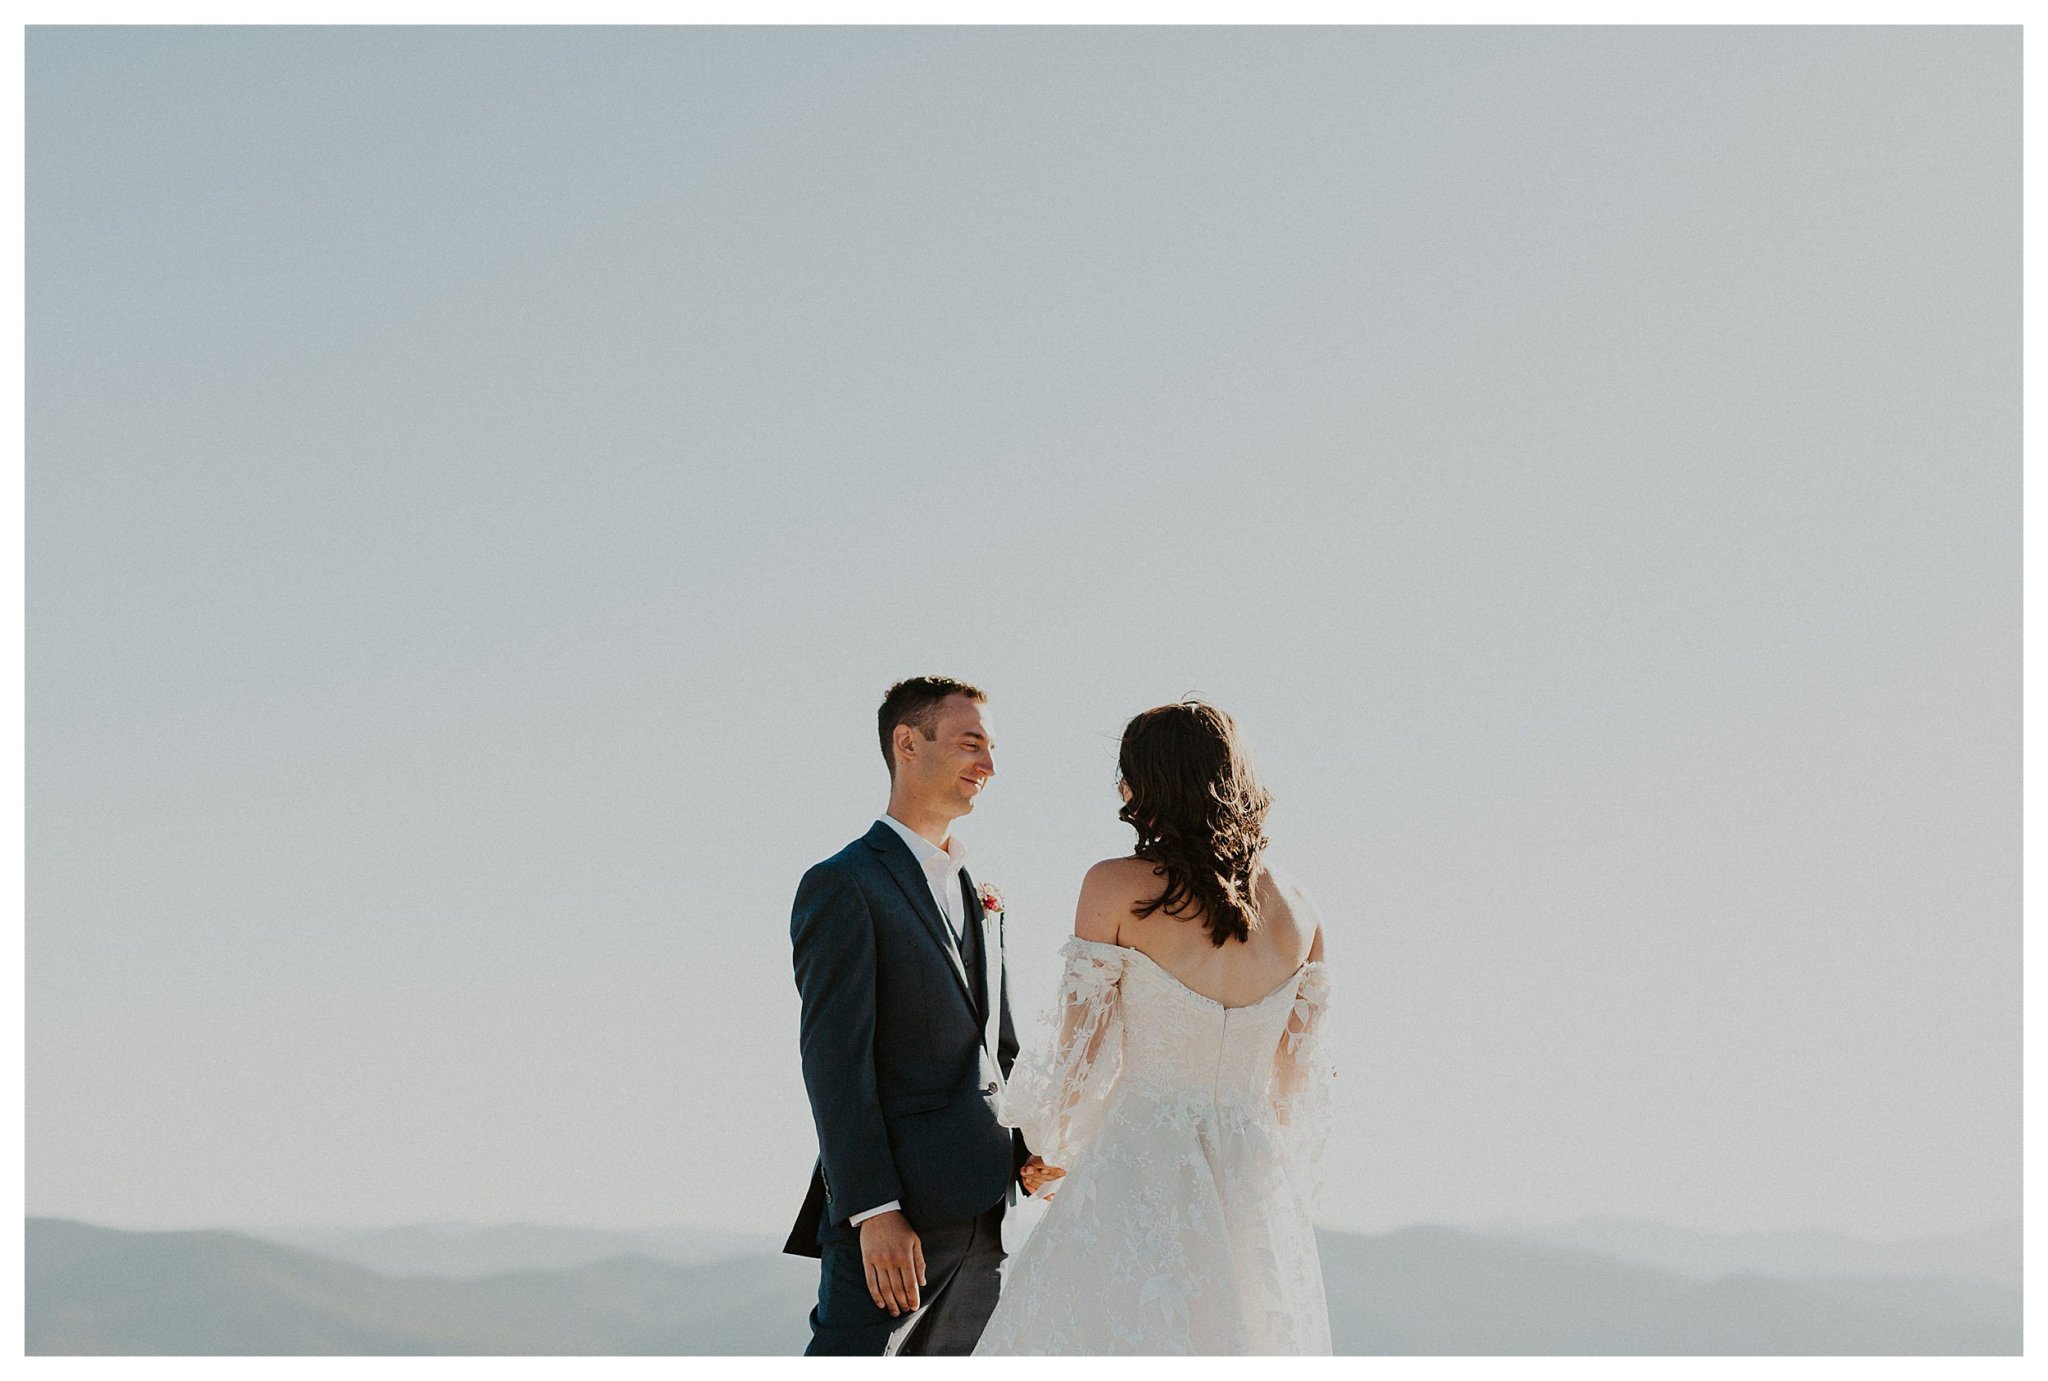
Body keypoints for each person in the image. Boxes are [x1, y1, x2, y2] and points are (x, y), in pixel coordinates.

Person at [974, 700, 1335, 1355]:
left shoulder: (1115, 886)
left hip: (1141, 1161)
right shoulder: (1303, 912)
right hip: (1251, 1173)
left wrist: (1050, 1150)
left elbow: (1077, 1057)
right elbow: (1293, 1084)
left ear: (1151, 781)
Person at [784, 676, 1056, 1355]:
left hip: (987, 1219)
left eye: (991, 749)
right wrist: (875, 1211)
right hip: (894, 1226)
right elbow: (834, 1065)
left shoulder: (979, 893)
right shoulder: (843, 884)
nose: (988, 766)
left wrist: (1029, 1148)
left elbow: (1003, 1052)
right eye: (971, 744)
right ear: (908, 743)